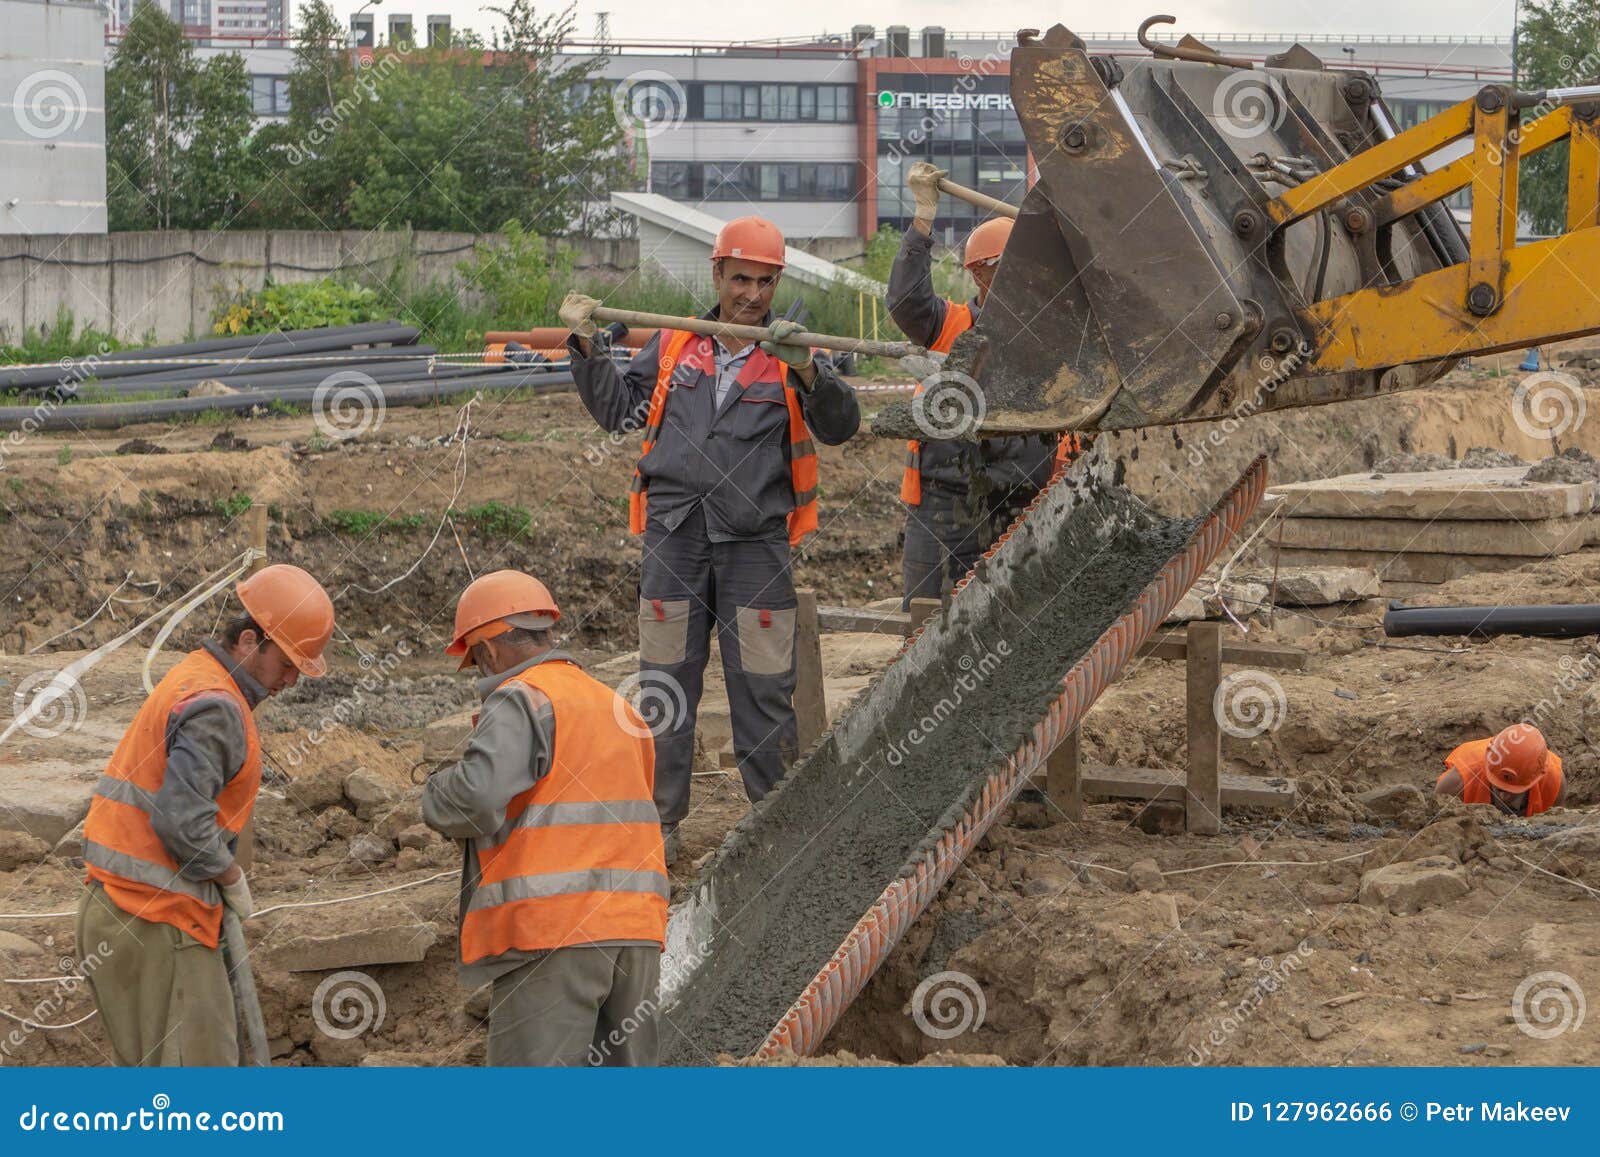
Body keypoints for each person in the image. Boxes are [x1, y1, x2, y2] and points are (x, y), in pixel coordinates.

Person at [558, 215, 860, 866]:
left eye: (764, 281)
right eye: (741, 278)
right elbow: (618, 410)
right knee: (665, 683)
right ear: (718, 275)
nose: (752, 293)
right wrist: (586, 347)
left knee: (762, 685)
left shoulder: (794, 352)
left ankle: (777, 829)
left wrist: (810, 370)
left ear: (777, 283)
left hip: (755, 544)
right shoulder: (675, 344)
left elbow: (840, 426)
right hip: (675, 539)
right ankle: (658, 826)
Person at [77, 563, 335, 1066]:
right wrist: (230, 872)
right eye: (286, 664)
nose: (290, 680)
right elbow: (182, 822)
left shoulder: (197, 677)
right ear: (247, 641)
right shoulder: (217, 706)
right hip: (156, 921)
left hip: (124, 911)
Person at [422, 570, 668, 1066]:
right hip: (636, 929)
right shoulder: (617, 707)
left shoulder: (522, 697)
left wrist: (434, 792)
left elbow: (476, 797)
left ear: (488, 651)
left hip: (554, 934)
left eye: (475, 661)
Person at [888, 160, 1086, 609]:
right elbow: (905, 301)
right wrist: (922, 220)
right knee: (930, 622)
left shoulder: (1053, 333)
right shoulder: (950, 324)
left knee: (1016, 627)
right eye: (1010, 268)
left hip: (1026, 502)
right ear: (981, 274)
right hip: (944, 505)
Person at [1435, 723, 1565, 816]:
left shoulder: (1554, 782)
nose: (1503, 797)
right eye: (1498, 788)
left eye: (1512, 791)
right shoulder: (1457, 783)